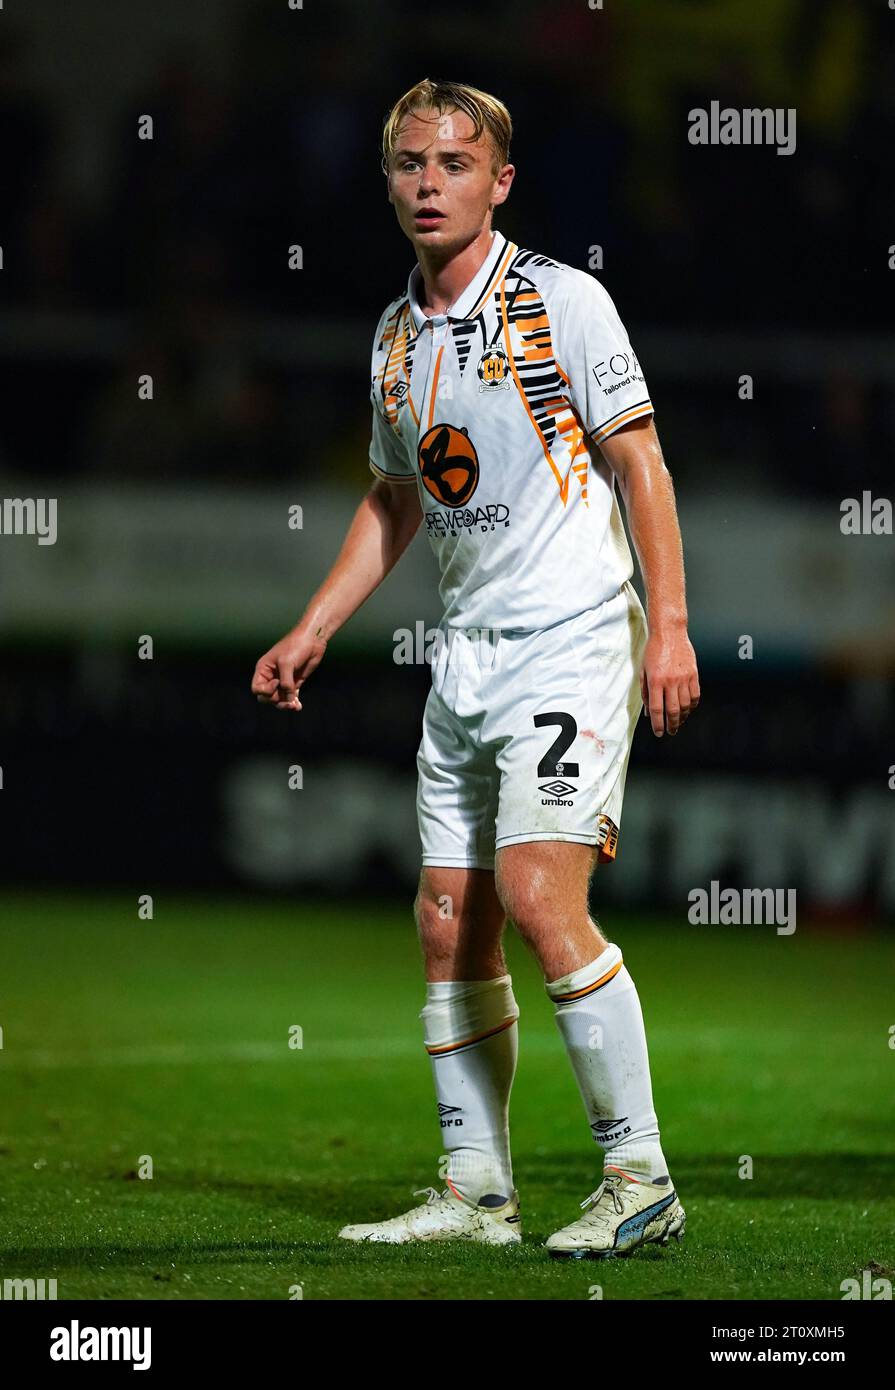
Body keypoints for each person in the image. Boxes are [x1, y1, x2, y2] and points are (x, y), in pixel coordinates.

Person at [251, 78, 699, 1258]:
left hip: (570, 635)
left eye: (453, 163)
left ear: (499, 181)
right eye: (408, 164)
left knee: (545, 898)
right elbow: (397, 497)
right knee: (449, 919)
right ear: (387, 179)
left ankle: (637, 1173)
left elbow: (639, 462)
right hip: (464, 662)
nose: (427, 183)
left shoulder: (561, 302)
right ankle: (475, 1192)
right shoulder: (397, 336)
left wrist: (670, 625)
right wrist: (314, 625)